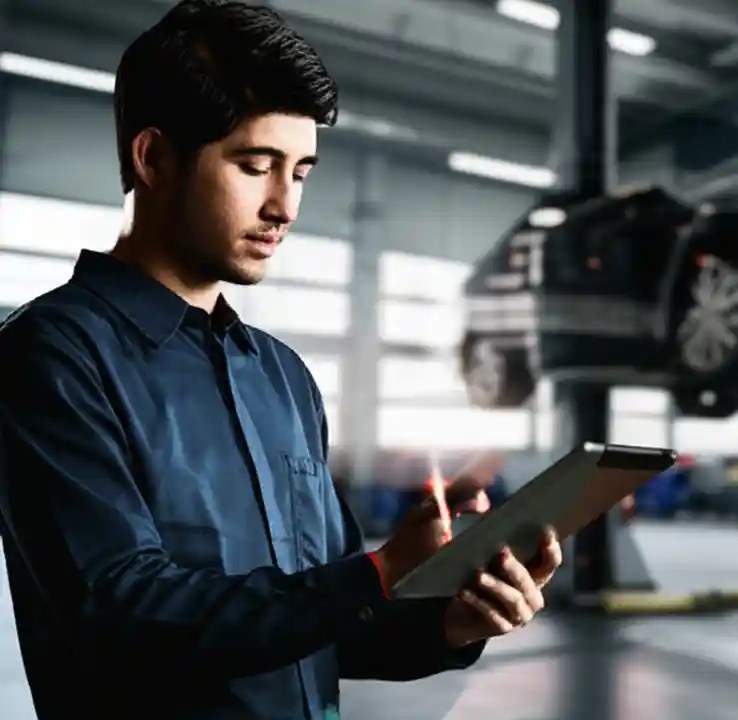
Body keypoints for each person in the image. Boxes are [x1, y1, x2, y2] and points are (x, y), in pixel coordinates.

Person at [0, 1, 560, 718]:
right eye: (255, 166)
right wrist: (380, 573)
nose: (284, 206)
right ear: (154, 159)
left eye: (300, 172)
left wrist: (455, 616)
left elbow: (331, 624)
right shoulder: (54, 354)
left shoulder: (282, 377)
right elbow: (122, 615)